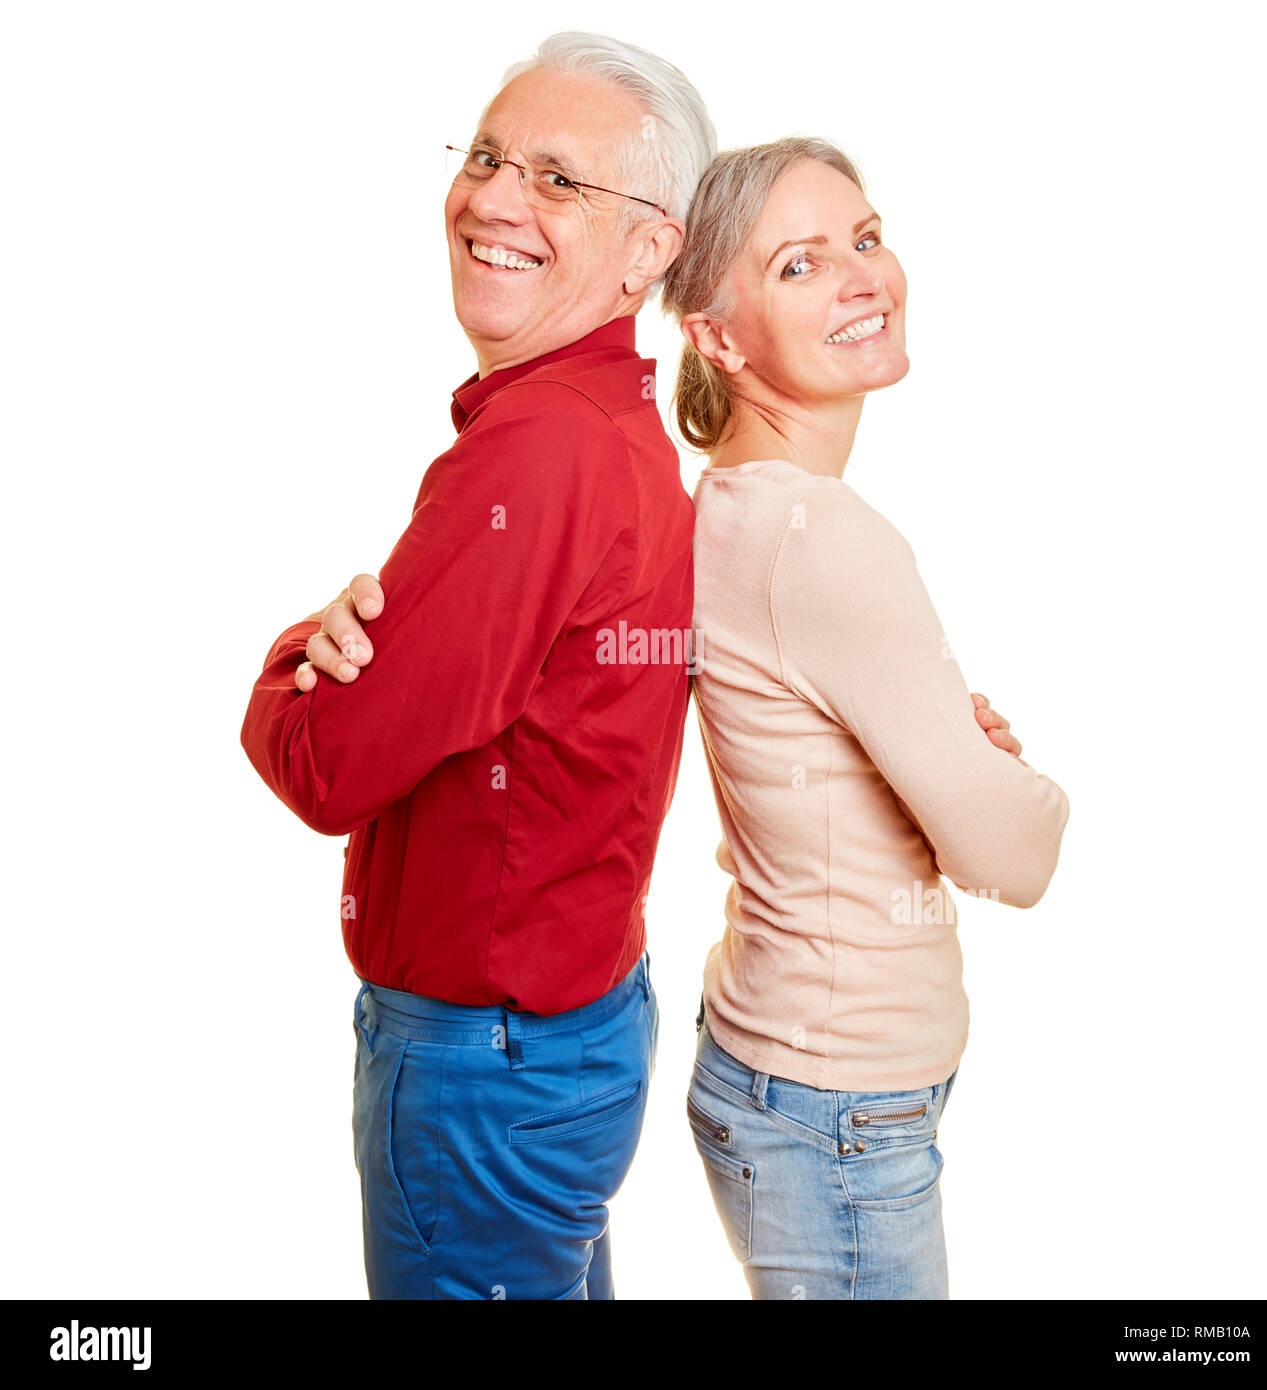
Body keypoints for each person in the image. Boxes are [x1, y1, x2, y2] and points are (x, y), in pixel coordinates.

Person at [239, 32, 715, 1300]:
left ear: (648, 249)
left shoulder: (538, 454)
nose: (494, 199)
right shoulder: (611, 427)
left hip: (484, 1070)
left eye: (559, 180)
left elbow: (328, 760)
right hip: (571, 1030)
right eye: (490, 157)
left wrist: (294, 656)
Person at [659, 138, 1071, 1299]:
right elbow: (1013, 854)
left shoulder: (732, 507)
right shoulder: (825, 537)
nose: (861, 276)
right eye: (799, 264)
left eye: (867, 237)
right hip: (836, 1111)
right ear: (718, 337)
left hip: (782, 1077)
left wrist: (926, 746)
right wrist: (1002, 784)